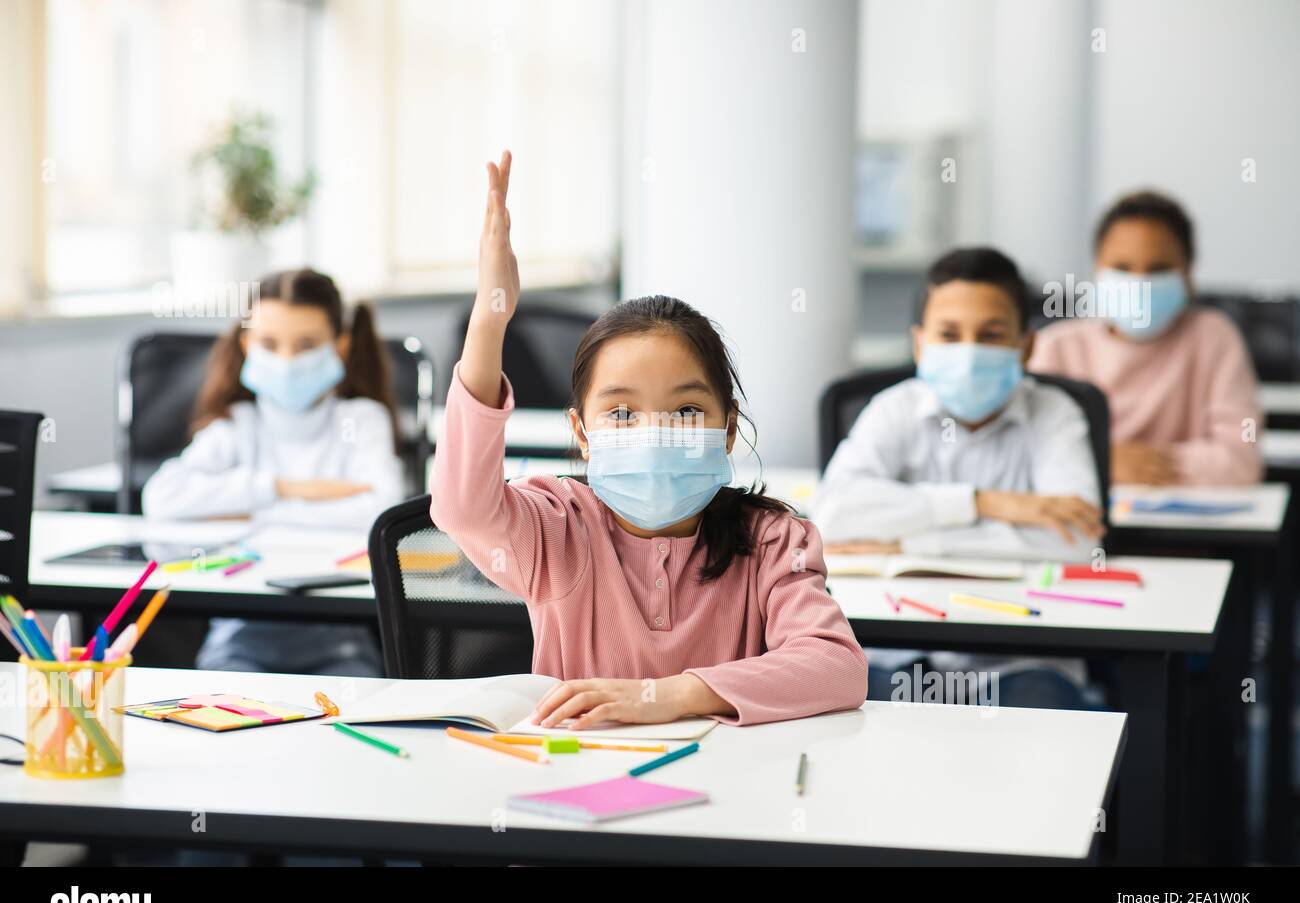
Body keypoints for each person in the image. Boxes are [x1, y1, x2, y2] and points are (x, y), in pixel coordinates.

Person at [431, 151, 868, 727]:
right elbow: (462, 507)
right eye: (621, 412)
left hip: (728, 796)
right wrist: (489, 324)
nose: (655, 433)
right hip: (580, 780)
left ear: (729, 428)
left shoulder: (772, 542)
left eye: (687, 410)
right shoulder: (559, 530)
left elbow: (836, 666)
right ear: (581, 434)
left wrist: (667, 696)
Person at [813, 247, 1104, 709]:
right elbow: (833, 516)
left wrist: (910, 546)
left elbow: (1075, 540)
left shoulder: (1056, 414)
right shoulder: (894, 408)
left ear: (1026, 346)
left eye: (990, 335)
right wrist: (982, 503)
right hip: (894, 658)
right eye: (948, 334)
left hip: (1017, 664)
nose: (968, 352)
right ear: (919, 344)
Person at [142, 268, 403, 676]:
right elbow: (161, 499)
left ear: (342, 345)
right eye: (269, 343)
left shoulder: (363, 420)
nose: (287, 361)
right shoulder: (236, 424)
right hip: (236, 646)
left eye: (307, 344)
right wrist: (285, 488)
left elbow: (379, 514)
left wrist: (245, 515)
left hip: (343, 650)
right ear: (246, 345)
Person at [1029, 190, 1261, 485]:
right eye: (1122, 268)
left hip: (1185, 529)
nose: (1138, 283)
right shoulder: (1055, 347)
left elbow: (1240, 462)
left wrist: (1103, 460)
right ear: (1096, 272)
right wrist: (1108, 460)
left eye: (1158, 269)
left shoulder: (1215, 338)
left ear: (1188, 276)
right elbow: (1030, 456)